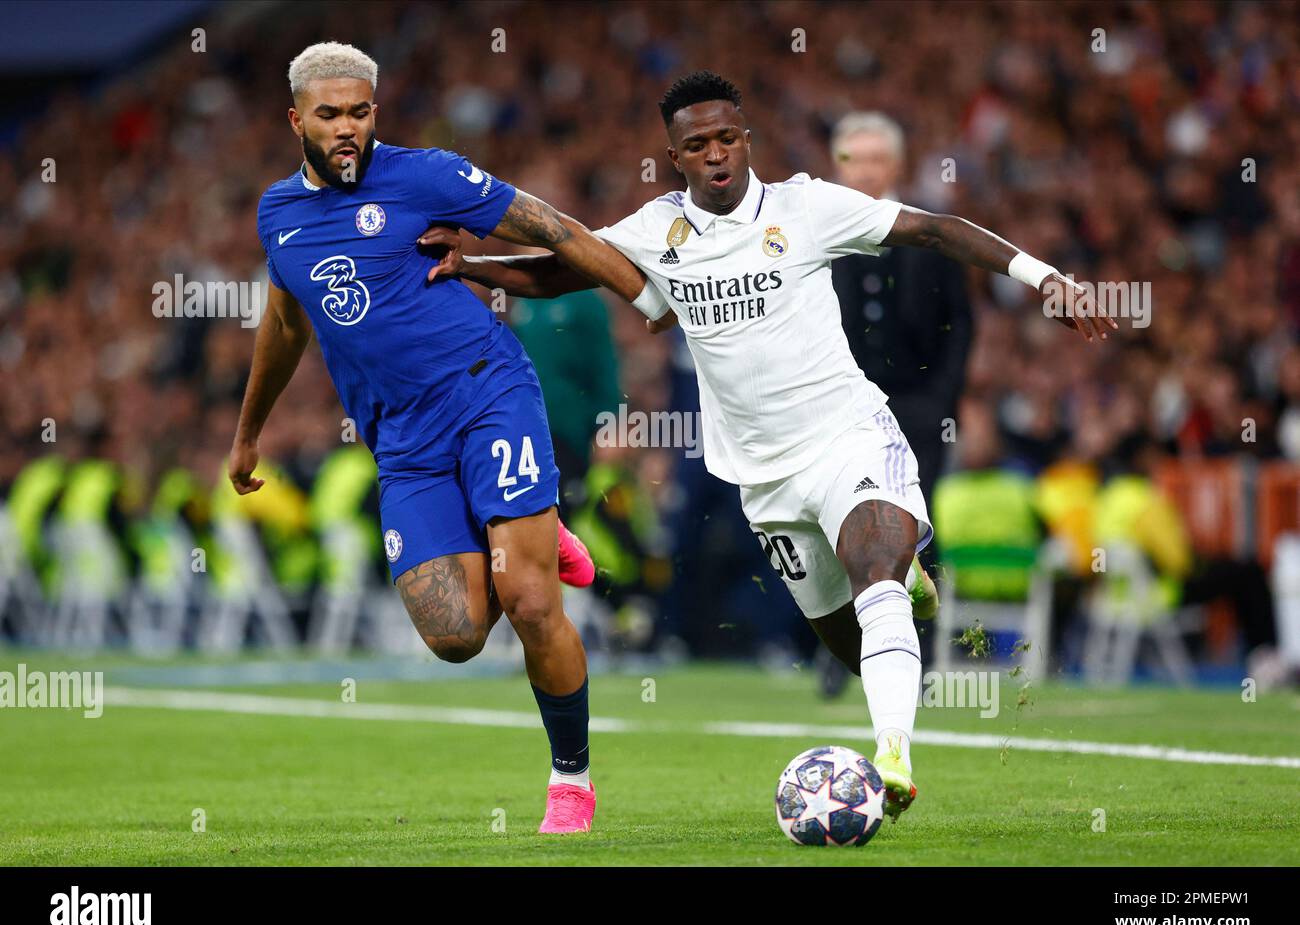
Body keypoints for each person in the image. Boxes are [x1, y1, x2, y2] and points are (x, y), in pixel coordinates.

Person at [419, 71, 1113, 820]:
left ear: (745, 138)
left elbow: (932, 228)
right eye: (697, 145)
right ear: (675, 156)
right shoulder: (657, 230)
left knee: (875, 570)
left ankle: (892, 761)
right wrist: (474, 268)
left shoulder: (806, 206)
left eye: (727, 137)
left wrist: (1046, 278)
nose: (716, 154)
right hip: (764, 479)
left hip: (848, 435)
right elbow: (562, 269)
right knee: (847, 639)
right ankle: (900, 597)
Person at [227, 42, 664, 833]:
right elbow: (287, 320)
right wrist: (248, 431)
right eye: (330, 115)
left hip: (486, 391)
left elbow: (558, 230)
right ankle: (535, 526)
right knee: (456, 634)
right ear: (296, 119)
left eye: (361, 111)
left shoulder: (426, 175)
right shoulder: (277, 215)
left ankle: (572, 781)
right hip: (401, 440)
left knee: (530, 601)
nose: (348, 128)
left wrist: (656, 303)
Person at [816, 112, 974, 697]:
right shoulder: (818, 233)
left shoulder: (931, 229)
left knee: (918, 527)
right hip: (843, 406)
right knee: (840, 523)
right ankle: (844, 651)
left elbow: (961, 325)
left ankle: (924, 653)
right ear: (836, 166)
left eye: (874, 159)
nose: (862, 172)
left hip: (917, 405)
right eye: (851, 160)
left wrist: (941, 400)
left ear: (897, 165)